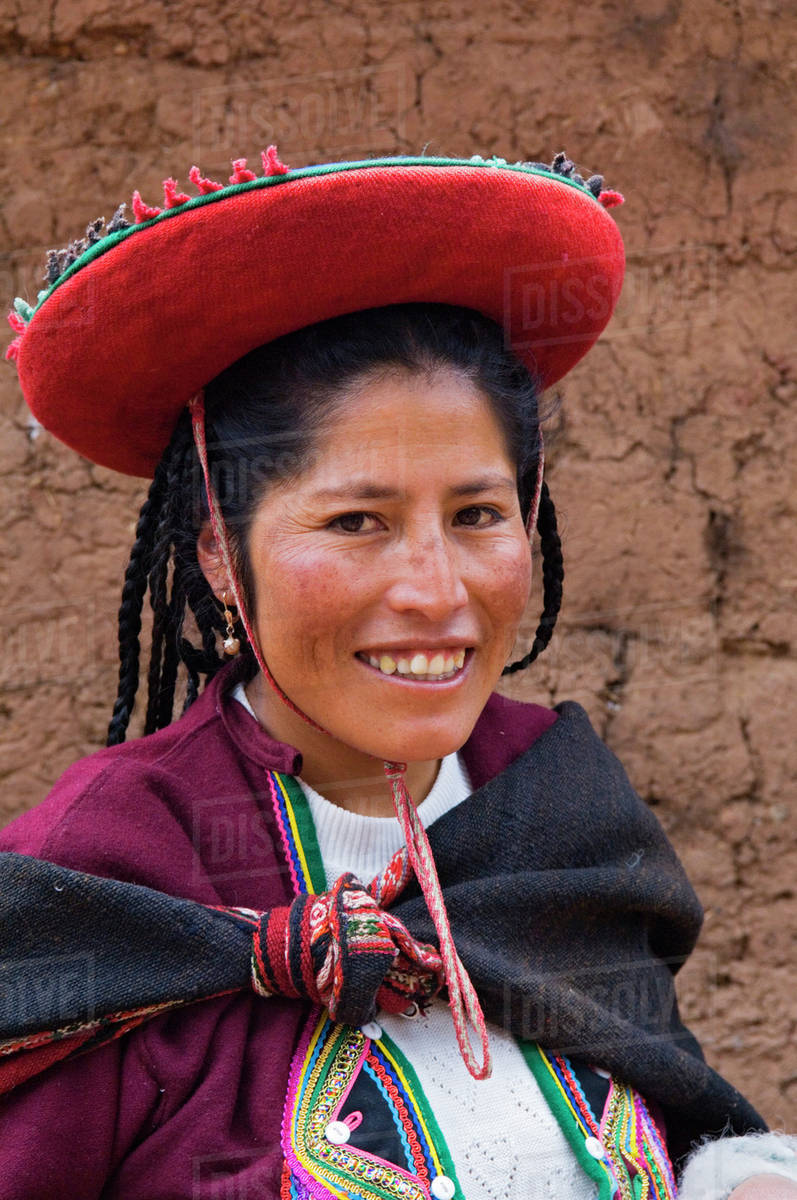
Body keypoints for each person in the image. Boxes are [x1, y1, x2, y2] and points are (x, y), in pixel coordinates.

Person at [2, 148, 795, 1199]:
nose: (435, 589)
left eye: (476, 514)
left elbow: (674, 1116)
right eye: (355, 522)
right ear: (218, 552)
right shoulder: (108, 876)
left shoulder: (556, 814)